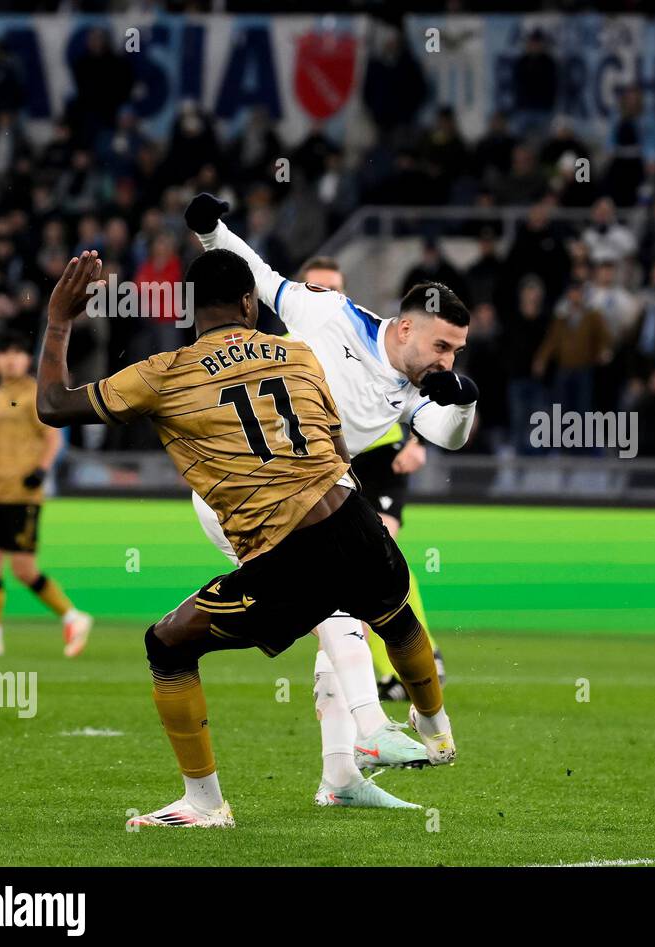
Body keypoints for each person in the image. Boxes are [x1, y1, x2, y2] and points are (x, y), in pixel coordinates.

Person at [36, 249, 459, 827]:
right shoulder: (299, 354)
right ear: (248, 303)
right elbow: (335, 449)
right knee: (392, 609)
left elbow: (53, 406)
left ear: (189, 307)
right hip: (350, 514)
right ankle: (433, 730)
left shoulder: (167, 372)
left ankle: (206, 804)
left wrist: (60, 320)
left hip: (286, 552)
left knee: (169, 644)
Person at [185, 195, 478, 803]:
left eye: (456, 353)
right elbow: (260, 278)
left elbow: (450, 435)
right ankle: (369, 733)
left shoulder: (410, 389)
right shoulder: (331, 314)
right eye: (444, 348)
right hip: (243, 490)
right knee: (337, 604)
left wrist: (464, 396)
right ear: (405, 329)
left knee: (335, 615)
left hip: (305, 494)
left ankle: (341, 774)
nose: (447, 360)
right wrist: (212, 230)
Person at [296, 254, 446, 705]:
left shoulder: (362, 334)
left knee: (377, 552)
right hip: (326, 464)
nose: (326, 296)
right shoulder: (284, 344)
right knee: (346, 567)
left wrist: (418, 442)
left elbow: (420, 383)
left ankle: (402, 663)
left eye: (334, 288)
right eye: (316, 288)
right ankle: (386, 670)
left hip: (381, 459)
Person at [0, 335, 92, 658]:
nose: (12, 359)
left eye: (17, 352)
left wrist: (42, 471)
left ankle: (73, 616)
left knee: (23, 569)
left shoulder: (34, 394)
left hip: (23, 493)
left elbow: (54, 437)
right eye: (5, 353)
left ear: (26, 359)